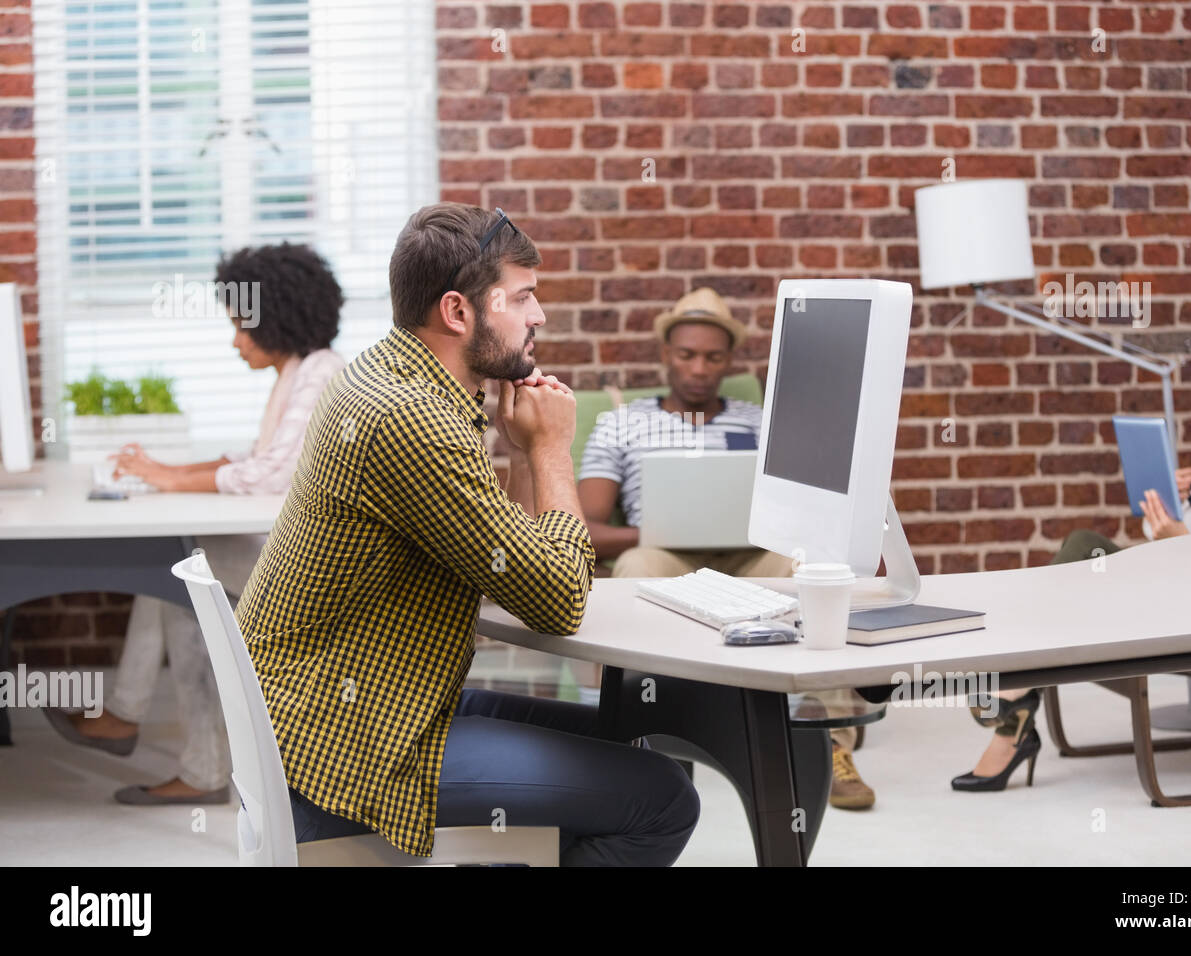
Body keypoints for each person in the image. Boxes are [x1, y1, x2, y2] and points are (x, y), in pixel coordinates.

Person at [236, 203, 699, 866]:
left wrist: (518, 450)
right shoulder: (411, 421)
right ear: (458, 312)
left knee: (633, 745)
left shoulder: (389, 378)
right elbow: (560, 597)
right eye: (524, 298)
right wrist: (552, 451)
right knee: (662, 798)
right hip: (348, 745)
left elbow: (509, 553)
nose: (538, 316)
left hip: (343, 705)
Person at [43, 243, 347, 805]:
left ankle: (136, 726)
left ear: (275, 317)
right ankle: (168, 746)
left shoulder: (321, 374)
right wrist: (165, 471)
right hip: (287, 550)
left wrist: (168, 478)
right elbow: (254, 458)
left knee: (175, 564)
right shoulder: (300, 372)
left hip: (310, 570)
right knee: (177, 571)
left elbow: (268, 474)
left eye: (241, 328)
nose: (235, 341)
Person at [952, 335, 1191, 792]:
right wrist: (1174, 510)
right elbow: (1182, 542)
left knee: (1084, 559)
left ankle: (1013, 696)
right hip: (1180, 591)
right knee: (1085, 546)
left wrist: (1184, 541)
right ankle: (1014, 703)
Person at [577, 286, 876, 811]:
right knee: (635, 566)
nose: (699, 368)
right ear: (666, 355)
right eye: (687, 354)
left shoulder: (759, 422)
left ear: (729, 361)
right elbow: (584, 526)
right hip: (665, 558)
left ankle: (832, 739)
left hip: (749, 554)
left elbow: (803, 507)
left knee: (813, 568)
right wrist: (656, 534)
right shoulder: (621, 422)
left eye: (713, 357)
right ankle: (640, 734)